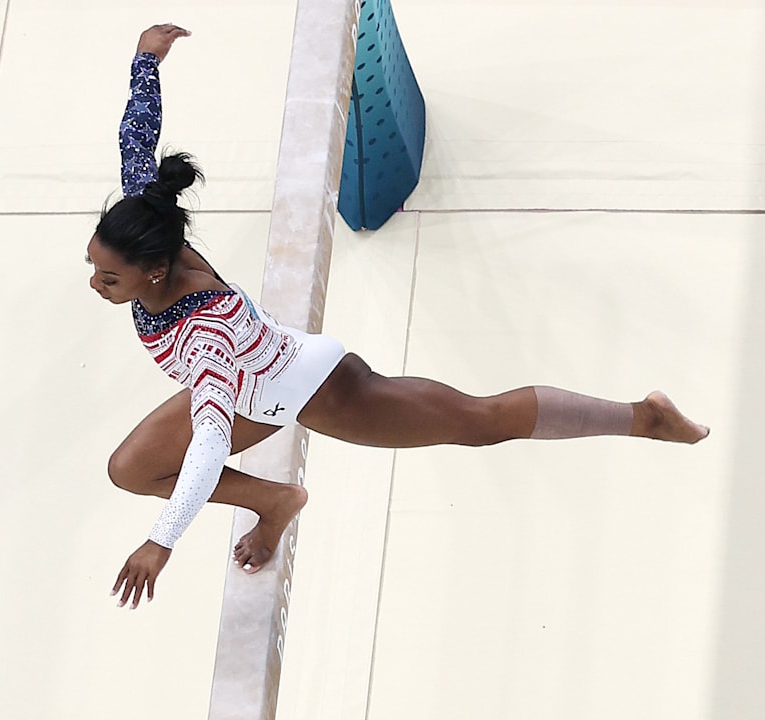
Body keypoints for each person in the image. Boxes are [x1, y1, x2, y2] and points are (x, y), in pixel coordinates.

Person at [95, 24, 709, 610]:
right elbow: (136, 142)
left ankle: (644, 417)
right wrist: (146, 63)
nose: (96, 285)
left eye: (109, 277)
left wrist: (162, 540)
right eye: (95, 267)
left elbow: (207, 448)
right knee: (132, 468)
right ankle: (275, 501)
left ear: (153, 270)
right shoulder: (148, 220)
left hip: (315, 389)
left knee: (479, 420)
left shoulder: (207, 334)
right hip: (252, 392)